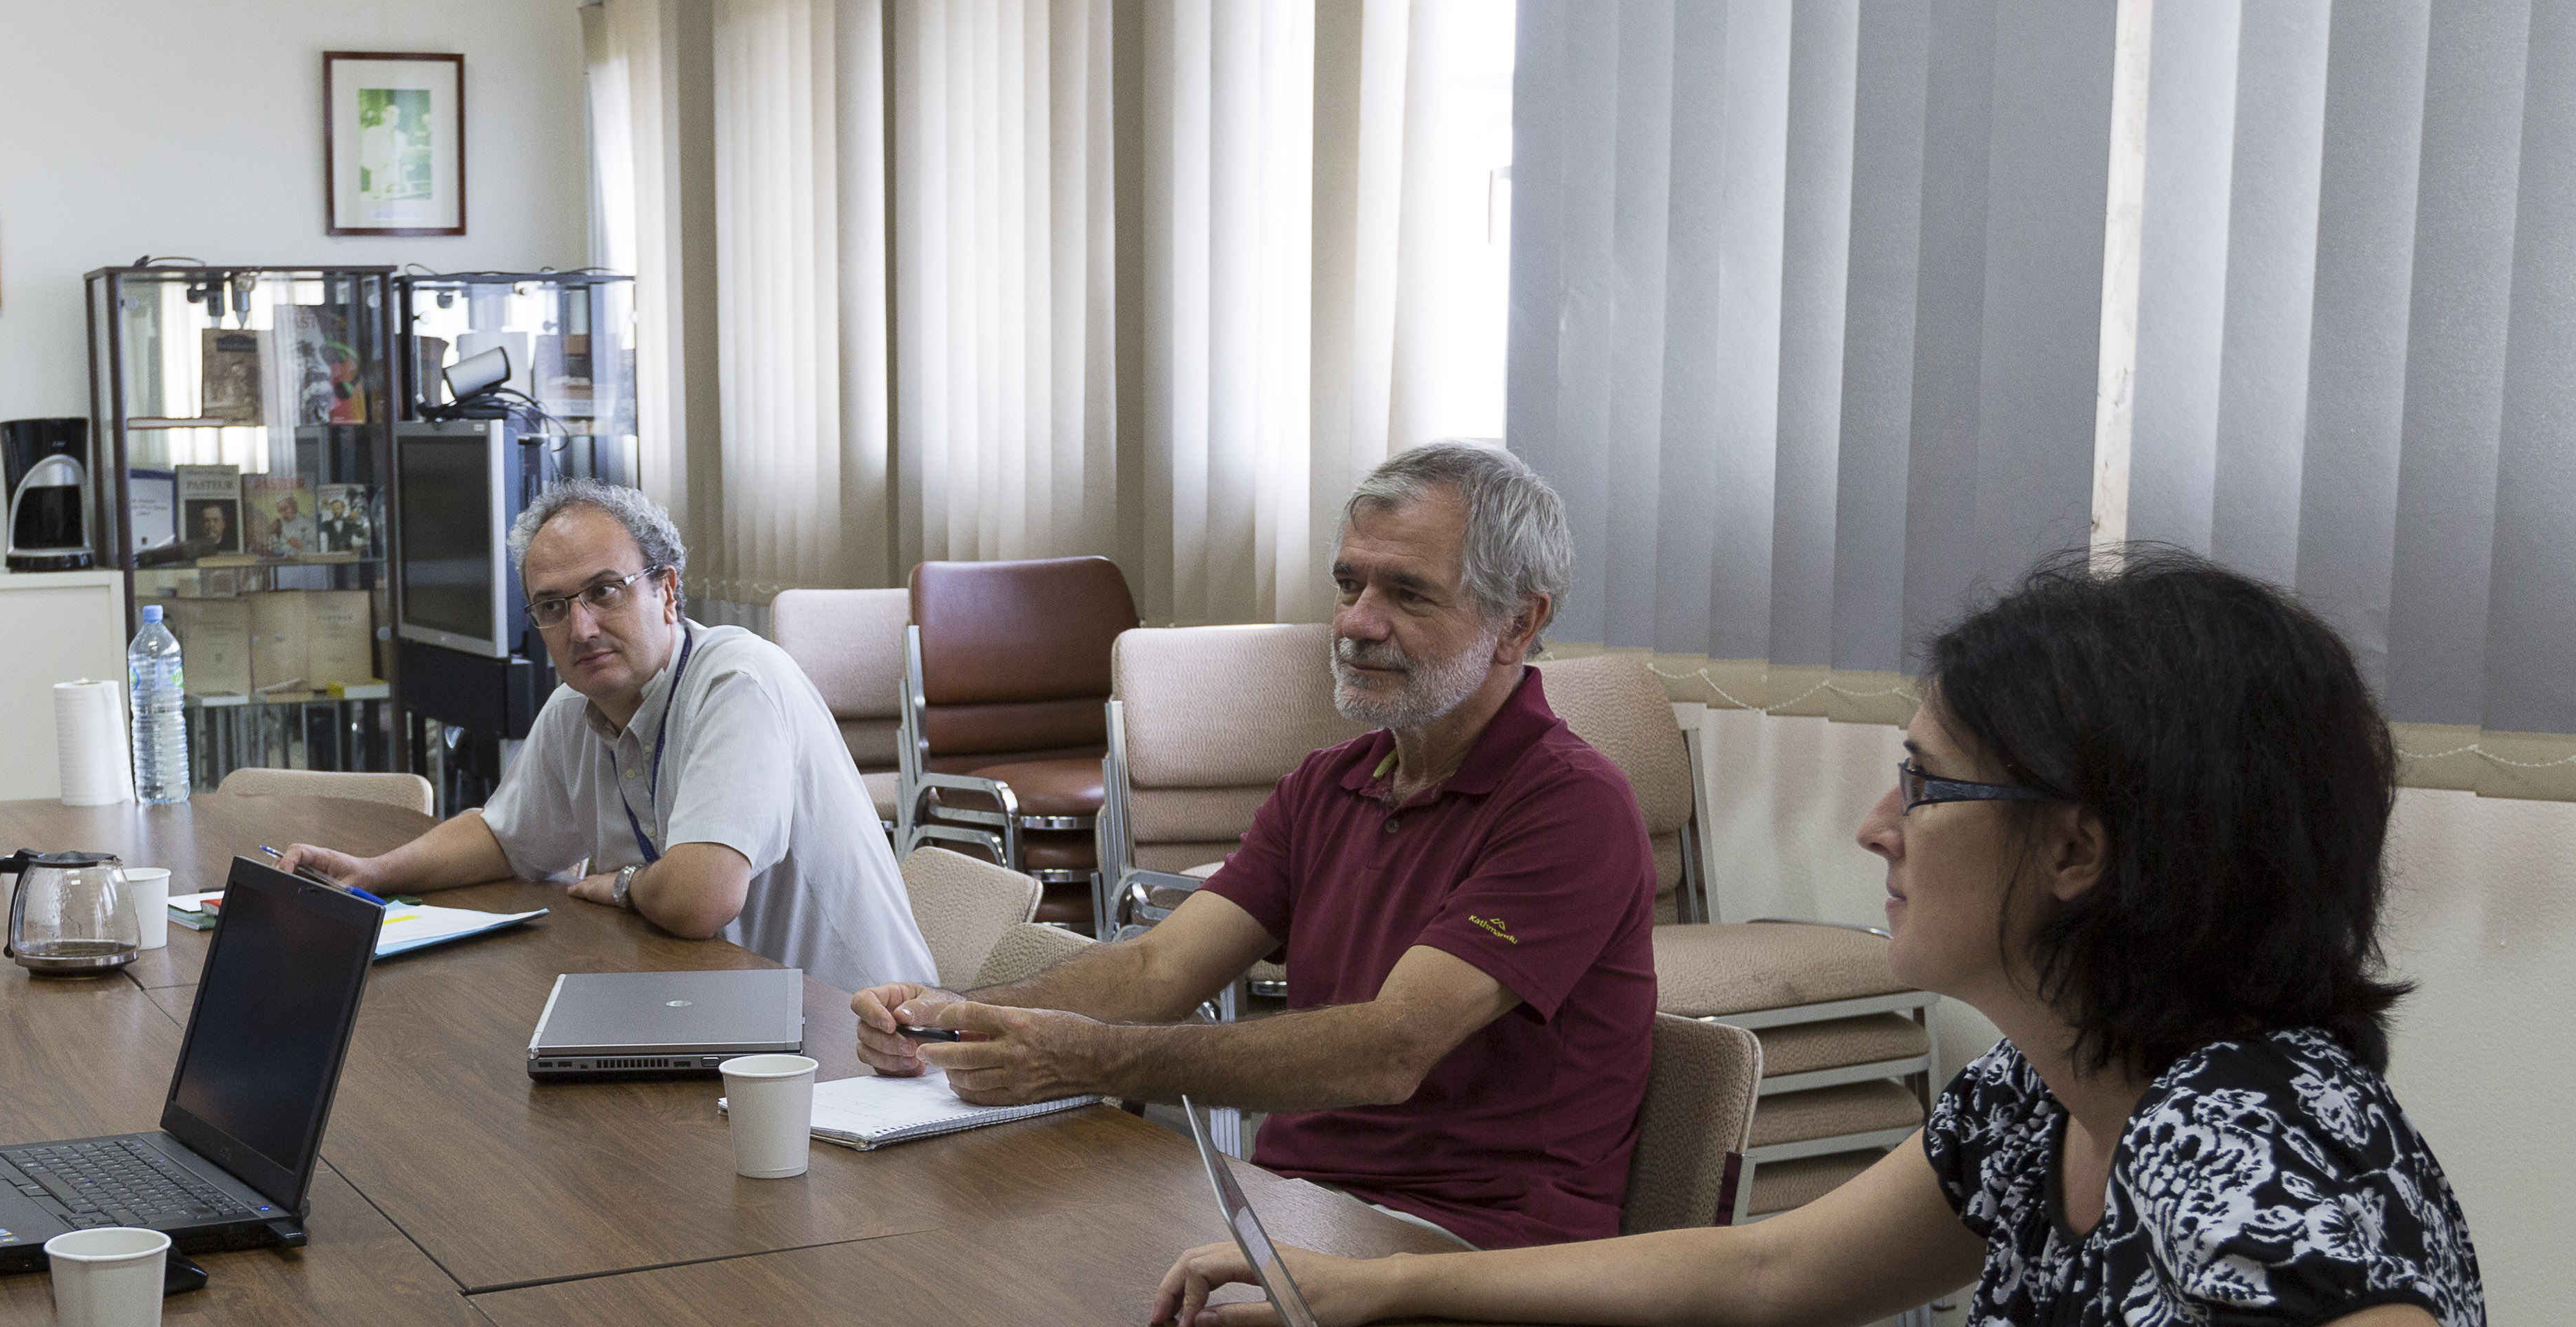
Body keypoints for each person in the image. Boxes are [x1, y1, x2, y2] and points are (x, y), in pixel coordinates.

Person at [1156, 552, 2576, 1327]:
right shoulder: (2049, 1089)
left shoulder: (2244, 1146)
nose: (1873, 824)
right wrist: (1379, 1286)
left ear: (2073, 850)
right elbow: (1770, 1271)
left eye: (1920, 783)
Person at [853, 441, 1655, 1251]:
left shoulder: (1568, 806)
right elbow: (1155, 967)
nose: (1355, 622)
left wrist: (1093, 1059)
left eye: (1407, 594)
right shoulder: (1329, 783)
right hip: (1293, 1209)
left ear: (1517, 621)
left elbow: (1391, 1047)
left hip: (1467, 1243)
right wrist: (953, 1021)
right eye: (1348, 583)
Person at [277, 480, 930, 996]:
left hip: (860, 1034)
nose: (581, 627)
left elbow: (700, 897)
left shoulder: (737, 680)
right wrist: (373, 873)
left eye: (604, 592)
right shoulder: (574, 709)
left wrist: (624, 885)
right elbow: (505, 837)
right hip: (724, 1006)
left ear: (667, 591)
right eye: (553, 607)